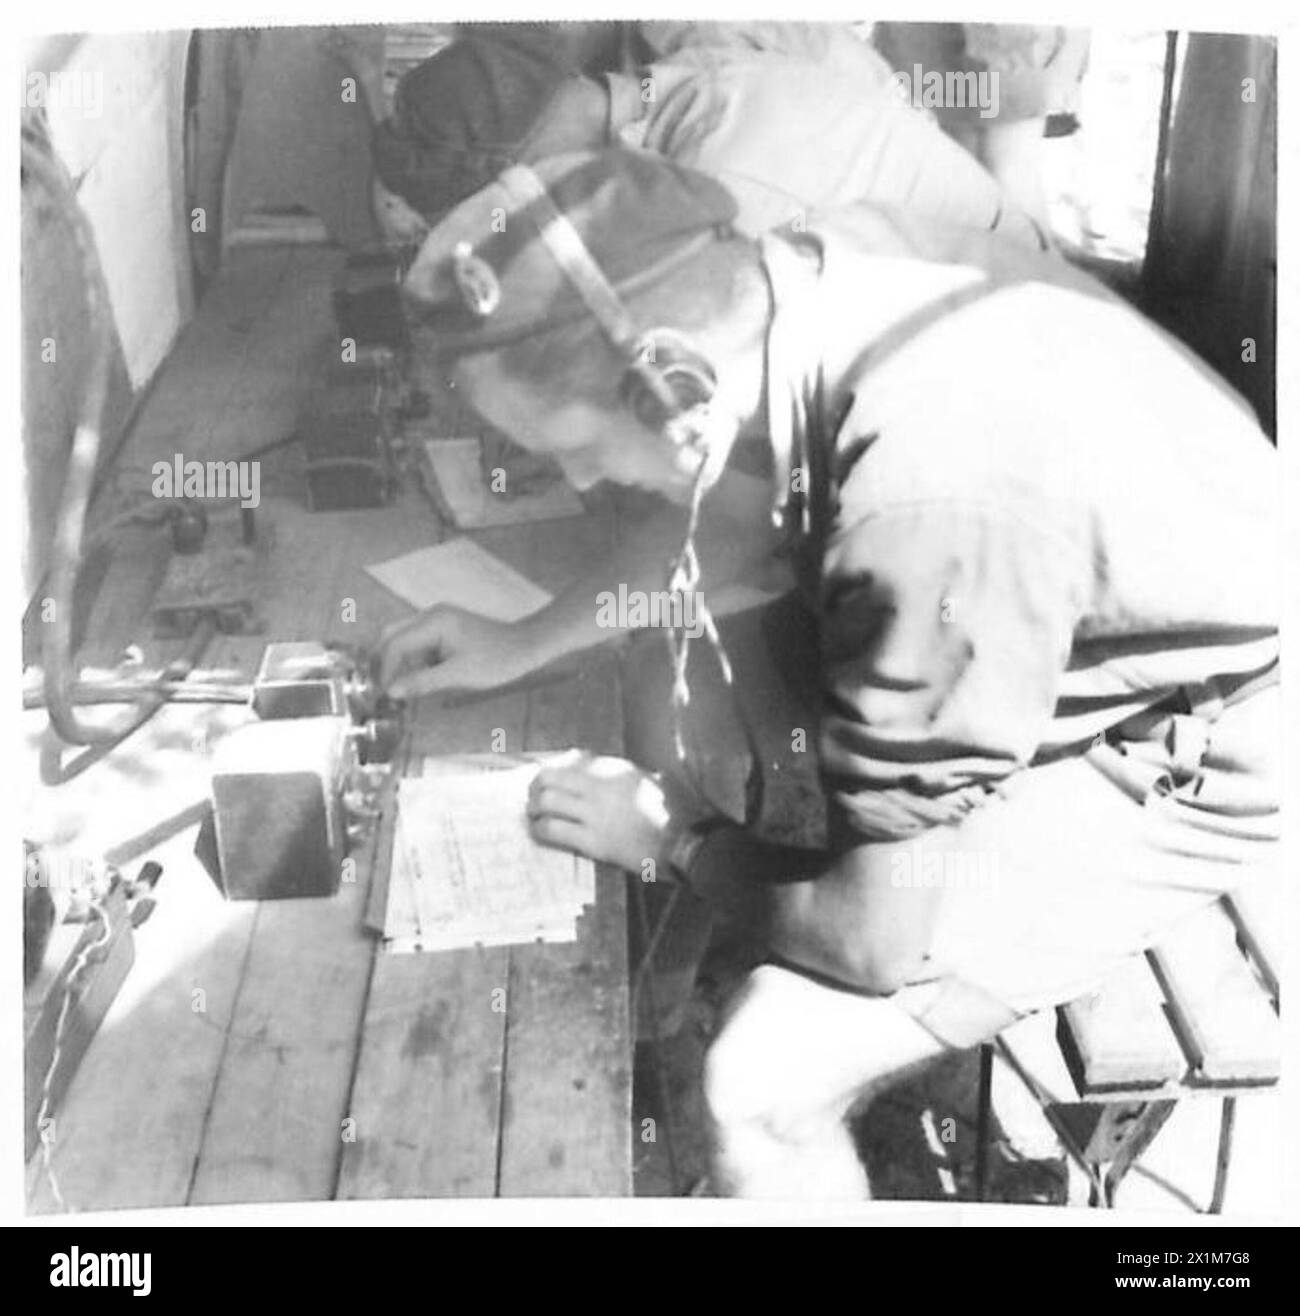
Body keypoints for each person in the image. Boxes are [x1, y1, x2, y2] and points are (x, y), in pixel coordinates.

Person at [378, 151, 1279, 1197]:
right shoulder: (799, 276)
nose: (580, 479)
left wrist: (670, 835)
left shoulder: (925, 502)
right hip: (1045, 608)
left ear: (671, 377)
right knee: (731, 734)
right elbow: (734, 515)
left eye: (575, 444)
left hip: (1197, 736)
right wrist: (523, 639)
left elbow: (867, 938)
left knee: (759, 1078)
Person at [371, 34, 1045, 247]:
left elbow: (741, 512)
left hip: (1005, 352)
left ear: (521, 164)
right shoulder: (683, 88)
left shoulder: (730, 182)